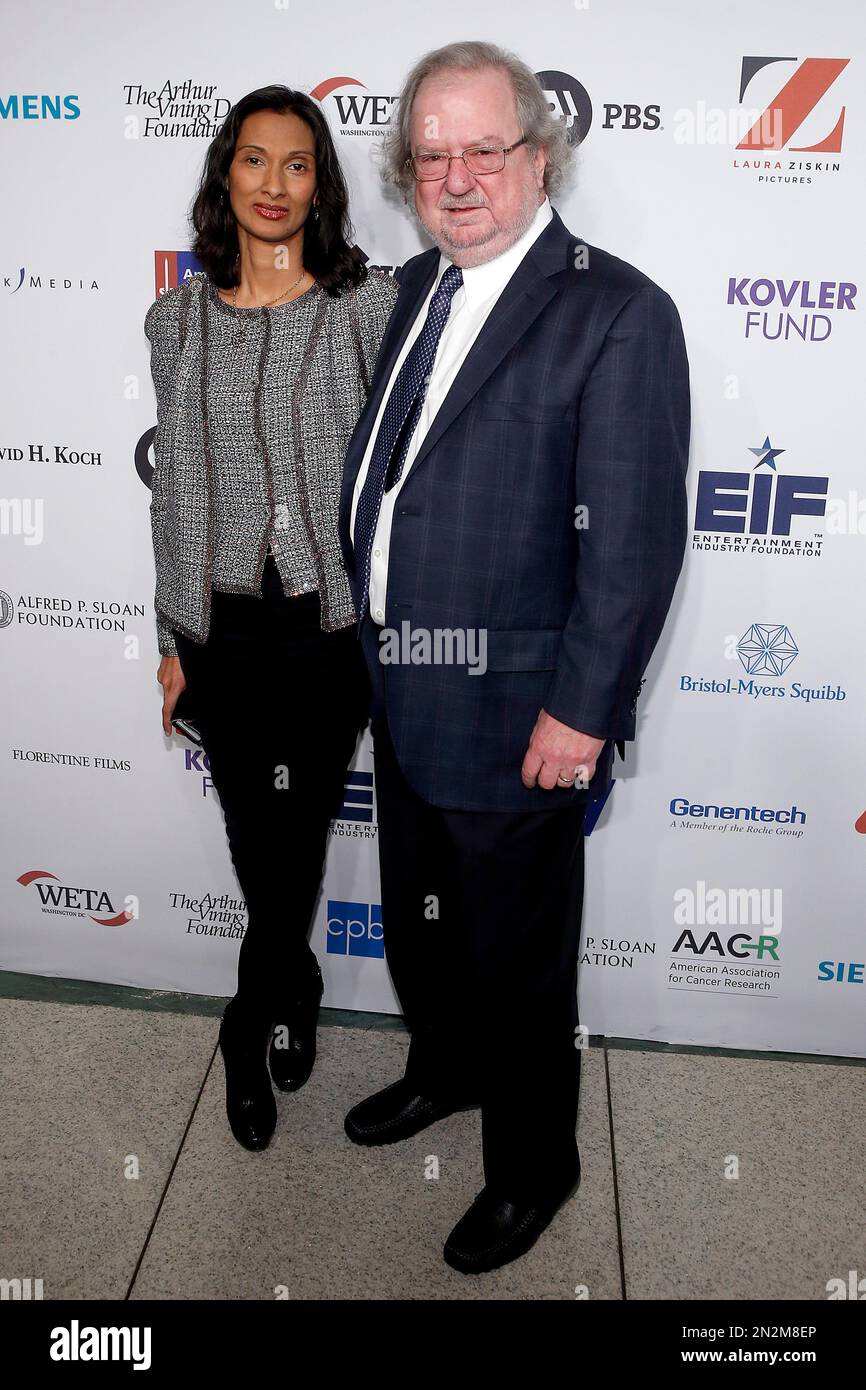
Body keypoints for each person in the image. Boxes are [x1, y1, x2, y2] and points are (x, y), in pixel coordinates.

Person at [338, 42, 690, 1273]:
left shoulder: (617, 312)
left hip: (522, 717)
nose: (455, 174)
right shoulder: (414, 290)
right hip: (402, 685)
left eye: (483, 147)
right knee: (423, 927)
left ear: (537, 158)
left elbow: (634, 545)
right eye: (429, 154)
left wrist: (582, 715)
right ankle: (444, 1070)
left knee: (520, 965)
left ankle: (533, 1166)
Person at [144, 85, 398, 1153]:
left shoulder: (364, 307)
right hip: (222, 637)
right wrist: (167, 642)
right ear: (224, 174)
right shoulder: (174, 317)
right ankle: (284, 995)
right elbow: (175, 486)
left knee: (285, 855)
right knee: (266, 853)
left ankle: (247, 1028)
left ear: (320, 185)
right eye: (255, 161)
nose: (274, 185)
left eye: (297, 165)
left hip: (327, 631)